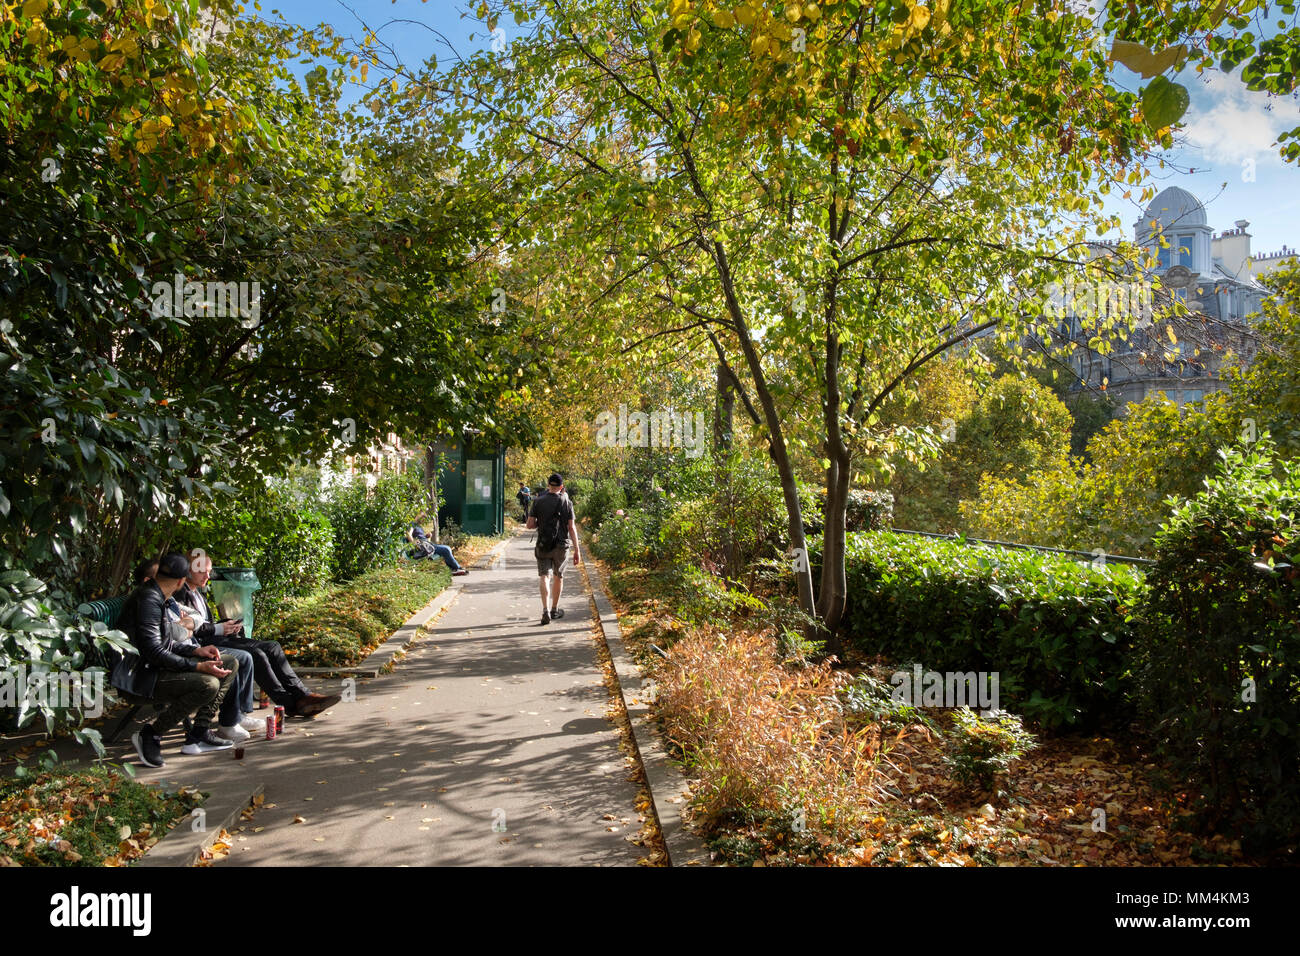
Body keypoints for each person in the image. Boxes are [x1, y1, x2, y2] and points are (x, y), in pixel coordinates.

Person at [175, 549, 341, 719]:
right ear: (188, 570)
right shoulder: (180, 593)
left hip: (215, 638)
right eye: (202, 571)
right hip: (203, 646)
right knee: (256, 654)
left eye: (209, 572)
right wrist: (219, 628)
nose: (207, 576)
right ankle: (291, 704)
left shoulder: (197, 593)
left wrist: (227, 625)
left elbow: (204, 624)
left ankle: (302, 696)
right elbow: (189, 628)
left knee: (273, 646)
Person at [111, 552, 239, 768]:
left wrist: (196, 652)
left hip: (152, 666)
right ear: (181, 581)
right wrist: (197, 665)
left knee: (229, 662)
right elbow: (154, 652)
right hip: (140, 676)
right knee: (207, 684)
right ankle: (151, 734)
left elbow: (162, 643)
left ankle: (199, 732)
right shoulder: (150, 600)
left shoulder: (157, 594)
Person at [526, 473, 581, 626]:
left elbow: (530, 525)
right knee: (558, 576)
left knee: (544, 576)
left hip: (543, 545)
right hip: (561, 546)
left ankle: (545, 609)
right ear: (561, 487)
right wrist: (577, 549)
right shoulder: (567, 502)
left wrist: (541, 523)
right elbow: (571, 527)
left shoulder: (538, 501)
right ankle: (554, 610)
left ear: (548, 485)